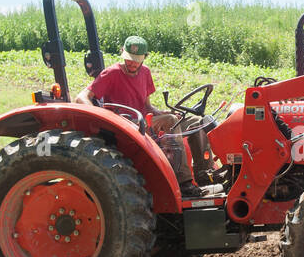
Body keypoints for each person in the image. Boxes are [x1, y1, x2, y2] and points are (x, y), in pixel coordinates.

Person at [75, 36, 220, 197]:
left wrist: (162, 113)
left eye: (136, 60)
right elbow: (81, 97)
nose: (131, 63)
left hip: (145, 120)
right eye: (128, 59)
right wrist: (101, 116)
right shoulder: (111, 73)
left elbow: (147, 106)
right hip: (127, 125)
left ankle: (204, 175)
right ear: (123, 53)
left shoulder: (145, 73)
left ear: (145, 57)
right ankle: (184, 182)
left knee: (196, 122)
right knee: (170, 122)